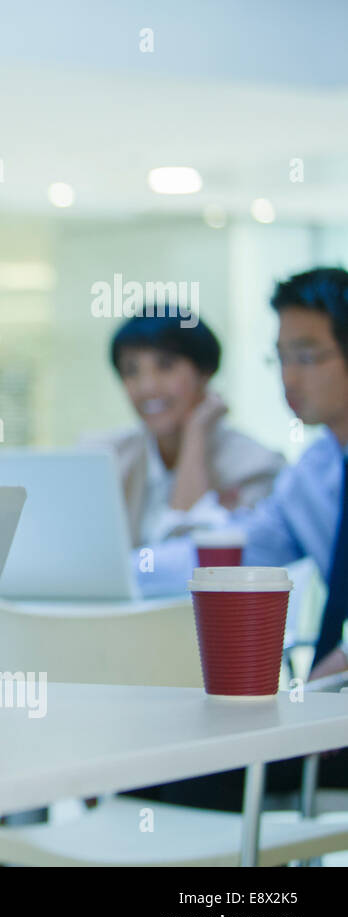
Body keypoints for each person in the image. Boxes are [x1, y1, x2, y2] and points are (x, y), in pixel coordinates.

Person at [127, 266, 348, 812]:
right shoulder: (315, 474)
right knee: (145, 763)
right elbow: (234, 551)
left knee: (197, 775)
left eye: (308, 355)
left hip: (330, 704)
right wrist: (124, 571)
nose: (289, 379)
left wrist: (325, 682)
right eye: (282, 358)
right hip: (325, 708)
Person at [83, 311, 283, 550]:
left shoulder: (255, 467)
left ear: (204, 372)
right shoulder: (107, 457)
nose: (147, 387)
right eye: (132, 371)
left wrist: (196, 436)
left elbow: (187, 560)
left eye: (165, 366)